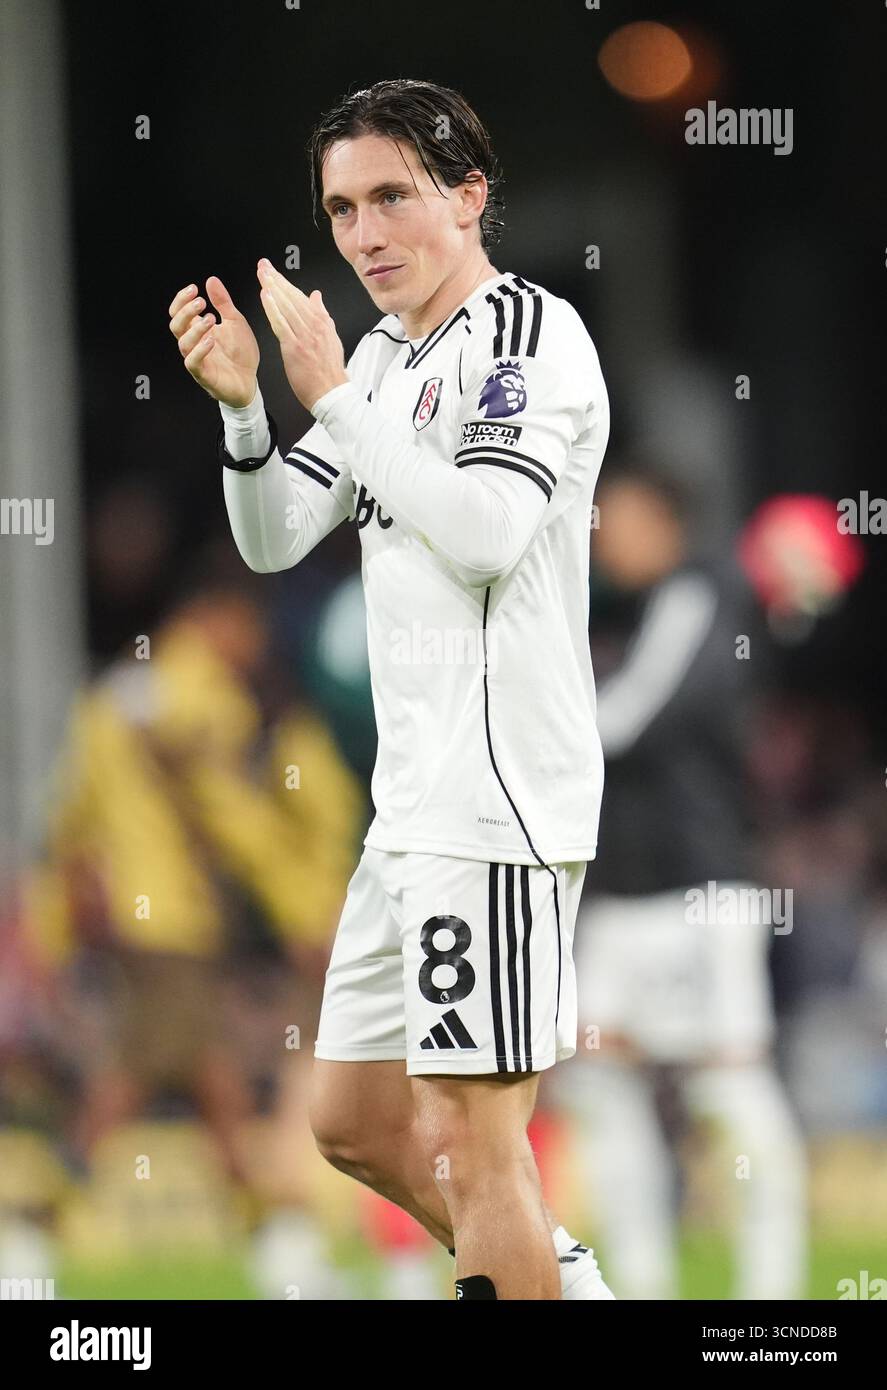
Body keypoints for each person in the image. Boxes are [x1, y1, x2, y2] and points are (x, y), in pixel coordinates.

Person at [169, 78, 612, 1300]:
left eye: (389, 198)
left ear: (466, 197)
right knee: (353, 1119)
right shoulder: (378, 355)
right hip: (407, 812)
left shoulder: (530, 336)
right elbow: (271, 539)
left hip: (498, 802)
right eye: (340, 207)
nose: (361, 235)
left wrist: (340, 404)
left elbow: (482, 529)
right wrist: (249, 412)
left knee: (477, 1148)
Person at [559, 464, 807, 1299]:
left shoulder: (699, 598)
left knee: (729, 1088)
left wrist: (524, 716)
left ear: (667, 523)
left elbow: (625, 720)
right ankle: (640, 1283)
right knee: (601, 1085)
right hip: (617, 900)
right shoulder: (629, 611)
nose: (603, 536)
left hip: (699, 896)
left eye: (619, 519)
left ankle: (769, 1298)